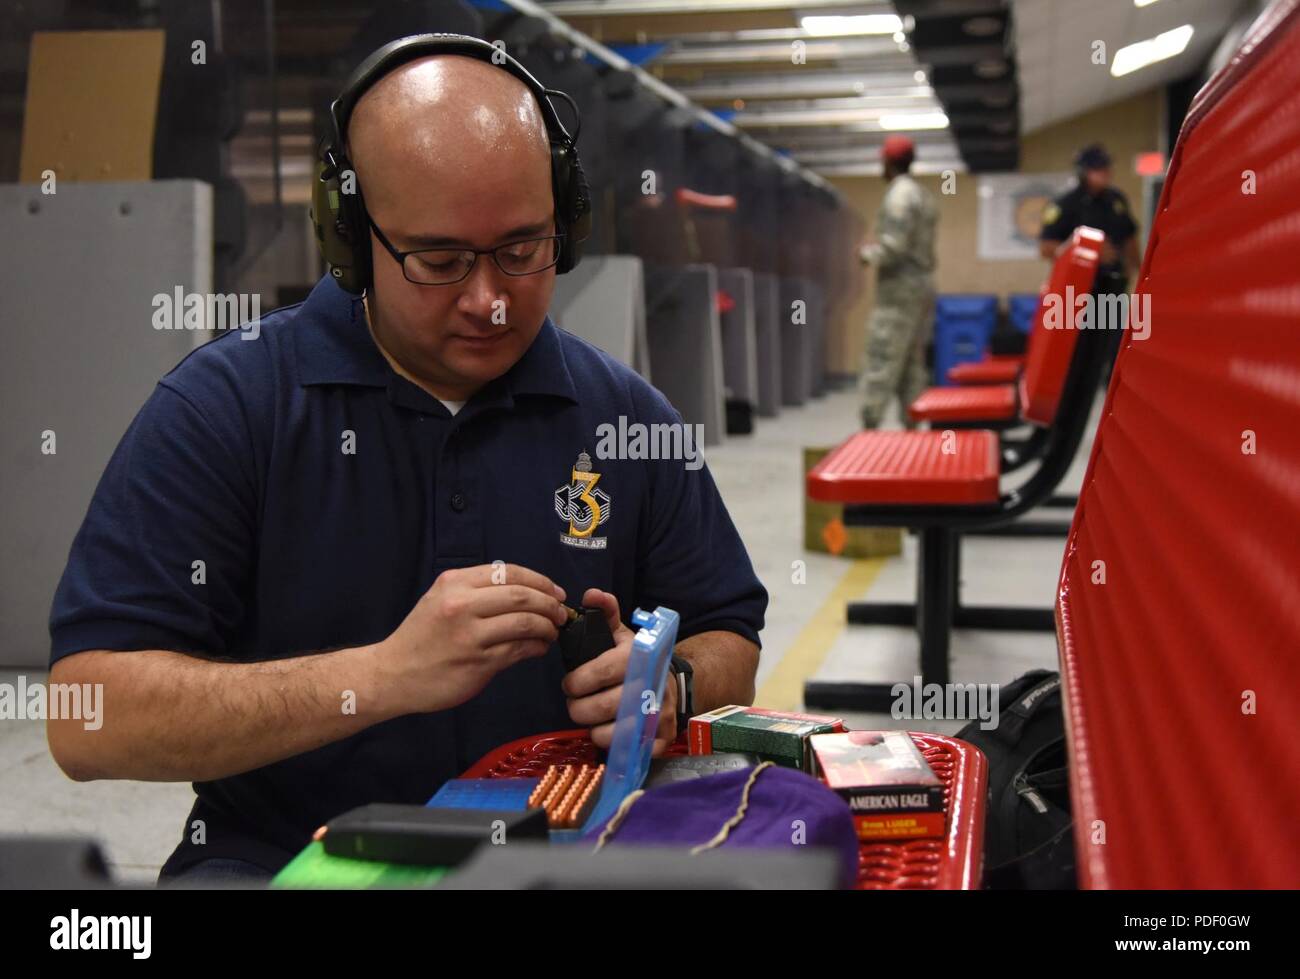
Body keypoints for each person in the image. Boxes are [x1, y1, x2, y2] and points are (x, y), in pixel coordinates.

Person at [46, 36, 766, 883]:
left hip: (562, 855)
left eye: (523, 249)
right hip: (288, 857)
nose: (490, 300)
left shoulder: (626, 417)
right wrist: (383, 676)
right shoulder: (228, 409)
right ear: (350, 238)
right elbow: (86, 716)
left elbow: (730, 633)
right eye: (440, 260)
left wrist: (666, 684)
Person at [857, 134, 938, 429]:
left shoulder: (899, 195)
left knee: (882, 354)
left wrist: (866, 254)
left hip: (898, 292)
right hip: (920, 289)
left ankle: (869, 428)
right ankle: (913, 426)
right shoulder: (923, 195)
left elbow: (894, 247)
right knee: (910, 362)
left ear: (888, 161)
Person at [1039, 143, 1140, 365]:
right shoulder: (1065, 204)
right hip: (1077, 291)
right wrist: (1089, 252)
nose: (1105, 173)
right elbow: (1047, 247)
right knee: (1079, 356)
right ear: (1084, 172)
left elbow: (1129, 237)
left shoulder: (1116, 200)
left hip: (1112, 287)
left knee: (1116, 350)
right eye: (1098, 168)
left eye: (1106, 168)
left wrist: (1139, 274)